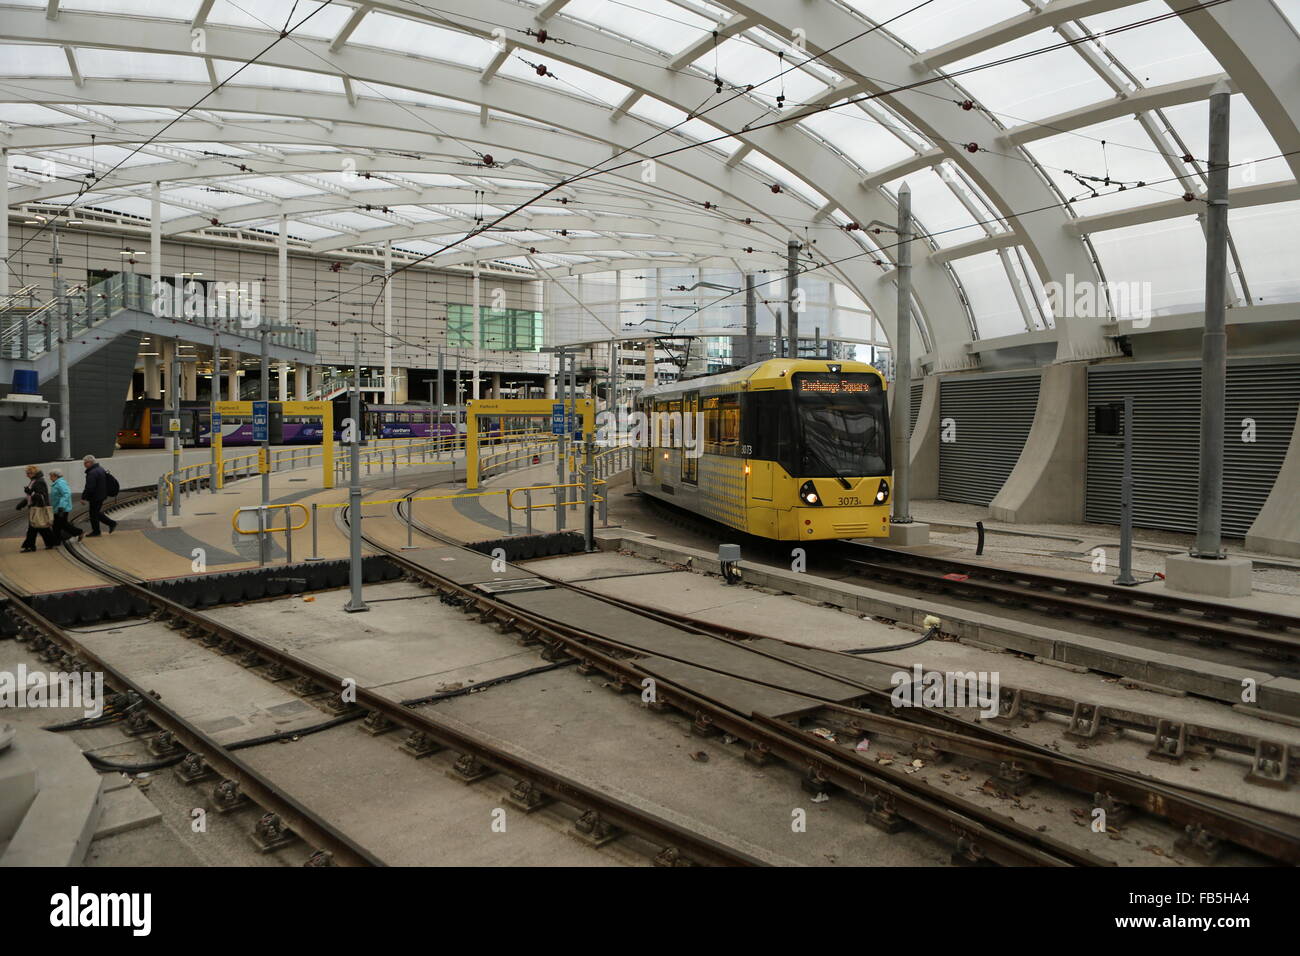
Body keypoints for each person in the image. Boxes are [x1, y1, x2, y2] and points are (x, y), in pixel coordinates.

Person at [16, 465, 59, 552]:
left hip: (38, 508)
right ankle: (51, 542)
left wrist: (30, 492)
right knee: (41, 527)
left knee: (33, 527)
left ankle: (30, 546)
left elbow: (40, 496)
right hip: (35, 507)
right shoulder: (34, 480)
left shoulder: (39, 482)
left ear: (33, 473)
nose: (27, 475)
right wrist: (22, 504)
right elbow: (30, 496)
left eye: (28, 473)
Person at [81, 454, 118, 537]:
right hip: (101, 495)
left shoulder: (92, 473)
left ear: (90, 462)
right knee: (95, 513)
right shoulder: (100, 469)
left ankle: (97, 531)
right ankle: (110, 524)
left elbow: (90, 487)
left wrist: (84, 497)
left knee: (93, 514)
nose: (84, 464)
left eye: (85, 462)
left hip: (96, 496)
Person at [48, 468, 82, 543]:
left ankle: (79, 532)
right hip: (58, 508)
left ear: (55, 476)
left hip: (62, 508)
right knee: (57, 525)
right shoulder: (57, 483)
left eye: (51, 476)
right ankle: (57, 540)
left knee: (62, 524)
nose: (50, 478)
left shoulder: (60, 483)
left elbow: (66, 494)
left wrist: (61, 506)